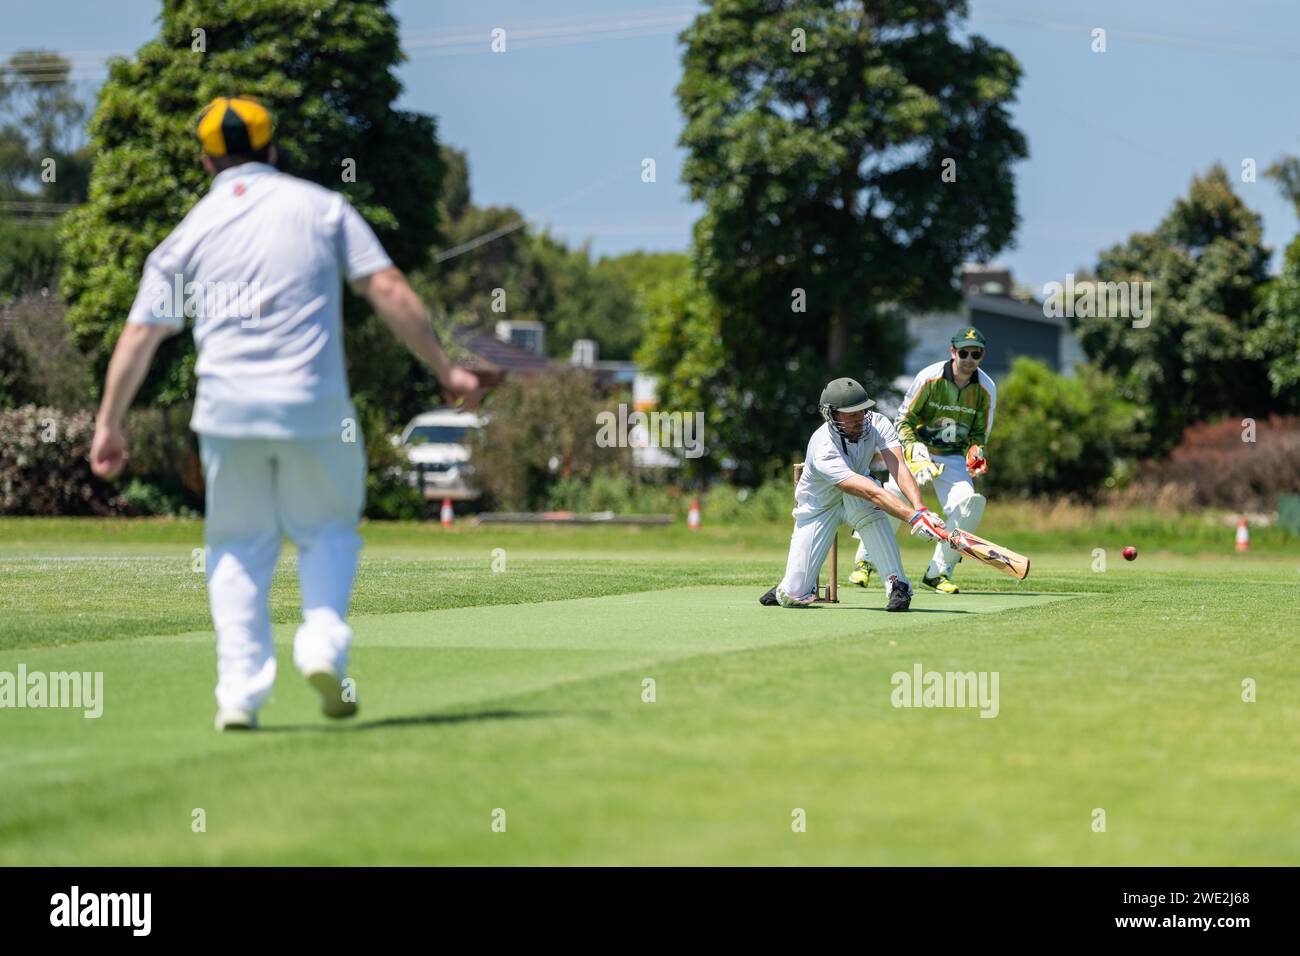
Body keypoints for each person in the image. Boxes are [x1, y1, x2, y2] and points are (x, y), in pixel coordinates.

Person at [89, 95, 479, 730]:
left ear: (207, 161)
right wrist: (446, 369)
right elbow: (386, 289)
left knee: (238, 545)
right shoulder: (322, 208)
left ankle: (239, 693)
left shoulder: (187, 233)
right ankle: (321, 641)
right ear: (273, 150)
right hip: (314, 408)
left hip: (225, 411)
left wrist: (110, 424)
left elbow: (140, 335)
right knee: (326, 531)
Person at [760, 377, 947, 612]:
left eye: (862, 411)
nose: (859, 418)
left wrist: (920, 509)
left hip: (859, 494)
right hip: (819, 505)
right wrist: (912, 518)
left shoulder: (878, 423)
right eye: (850, 414)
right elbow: (870, 491)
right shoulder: (823, 448)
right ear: (830, 414)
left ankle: (898, 585)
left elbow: (898, 465)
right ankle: (790, 586)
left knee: (868, 507)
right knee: (792, 597)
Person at [848, 326, 996, 594]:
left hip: (952, 457)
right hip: (918, 451)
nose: (969, 359)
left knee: (969, 504)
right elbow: (903, 419)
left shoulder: (986, 388)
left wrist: (976, 451)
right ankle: (865, 563)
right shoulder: (929, 377)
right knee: (893, 495)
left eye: (976, 354)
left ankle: (938, 573)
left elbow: (979, 433)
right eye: (964, 352)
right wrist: (914, 449)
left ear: (982, 356)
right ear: (953, 352)